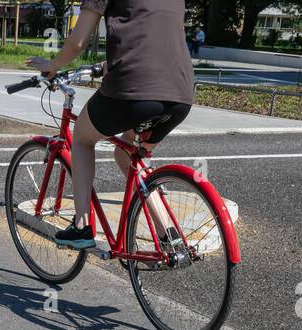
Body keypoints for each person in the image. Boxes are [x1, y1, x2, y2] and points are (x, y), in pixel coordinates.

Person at [27, 0, 196, 249]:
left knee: (83, 139)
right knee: (127, 151)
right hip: (181, 94)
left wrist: (51, 66)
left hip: (134, 89)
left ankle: (82, 226)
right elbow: (157, 35)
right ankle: (169, 236)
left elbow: (77, 43)